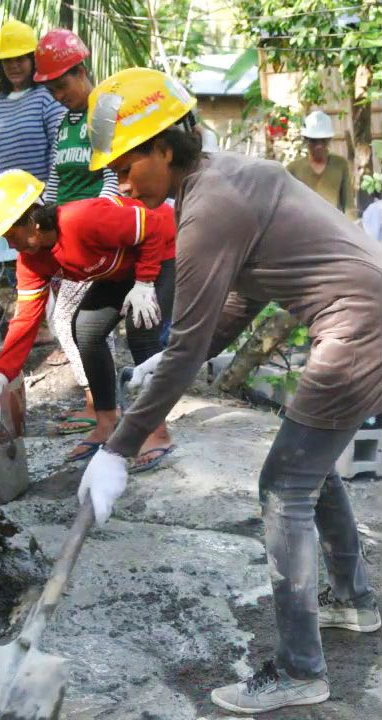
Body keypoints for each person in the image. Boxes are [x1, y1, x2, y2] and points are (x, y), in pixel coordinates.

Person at [84, 67, 381, 714]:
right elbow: (240, 299)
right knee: (307, 466)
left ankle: (301, 667)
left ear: (165, 146)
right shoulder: (224, 181)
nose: (121, 181)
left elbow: (190, 349)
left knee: (283, 488)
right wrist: (163, 357)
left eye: (127, 163)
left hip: (360, 327)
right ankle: (355, 602)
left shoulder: (208, 208)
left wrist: (119, 448)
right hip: (365, 317)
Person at [0, 169, 176, 471]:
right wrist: (0, 375)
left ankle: (157, 432)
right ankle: (107, 421)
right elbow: (26, 318)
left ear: (34, 220)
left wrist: (144, 283)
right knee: (86, 329)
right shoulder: (31, 258)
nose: (11, 245)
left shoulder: (82, 220)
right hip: (118, 271)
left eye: (11, 235)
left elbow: (155, 225)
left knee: (142, 331)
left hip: (160, 251)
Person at [35, 29, 121, 439]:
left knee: (68, 318)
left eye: (62, 84)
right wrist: (46, 218)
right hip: (65, 233)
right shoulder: (66, 121)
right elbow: (55, 178)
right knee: (70, 319)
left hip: (91, 237)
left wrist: (91, 221)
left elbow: (111, 178)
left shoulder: (103, 112)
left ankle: (98, 401)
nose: (58, 94)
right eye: (50, 88)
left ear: (82, 70)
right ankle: (100, 399)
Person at [0, 19, 67, 352]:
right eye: (7, 61)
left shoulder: (45, 97)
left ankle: (50, 324)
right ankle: (28, 322)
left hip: (36, 200)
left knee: (45, 260)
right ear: (0, 65)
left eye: (20, 59)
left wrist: (50, 196)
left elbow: (59, 145)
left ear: (33, 60)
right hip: (4, 204)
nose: (14, 66)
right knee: (16, 265)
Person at [287, 110, 355, 217]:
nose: (319, 146)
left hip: (333, 228)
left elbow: (349, 206)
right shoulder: (293, 169)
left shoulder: (340, 165)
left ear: (328, 140)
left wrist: (352, 229)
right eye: (314, 141)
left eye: (323, 141)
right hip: (304, 228)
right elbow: (287, 206)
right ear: (306, 140)